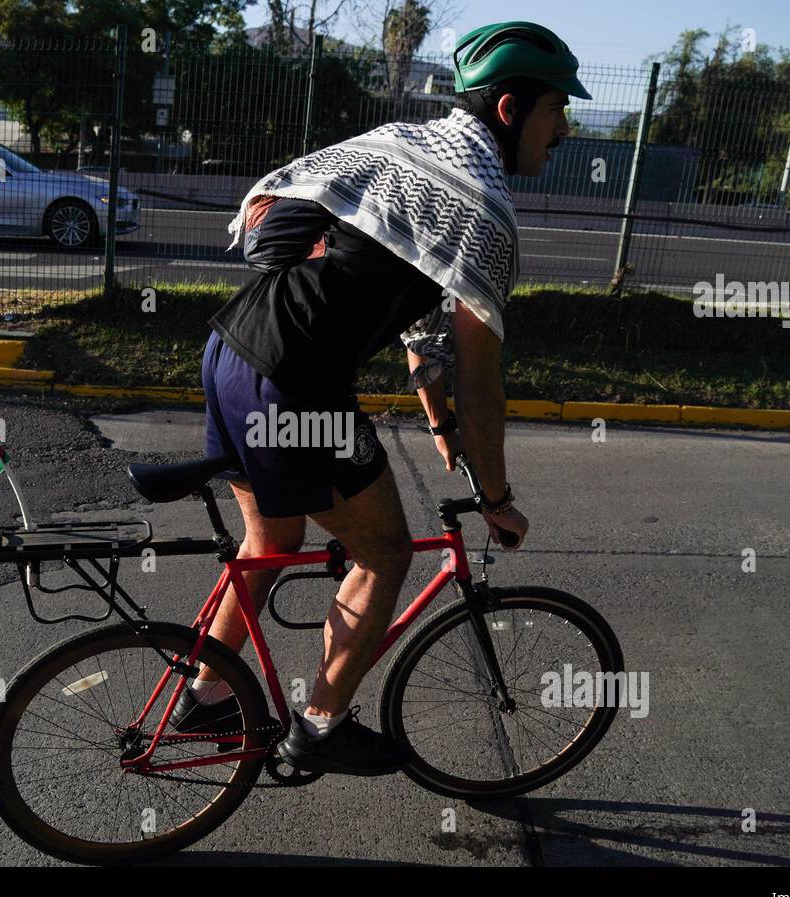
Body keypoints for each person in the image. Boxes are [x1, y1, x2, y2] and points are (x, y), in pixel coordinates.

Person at [173, 21, 591, 776]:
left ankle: (205, 699)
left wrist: (438, 425)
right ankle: (319, 730)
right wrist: (496, 494)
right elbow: (479, 375)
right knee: (387, 552)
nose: (564, 129)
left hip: (229, 351)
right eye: (556, 109)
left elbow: (312, 236)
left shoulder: (401, 145)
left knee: (271, 543)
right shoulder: (482, 208)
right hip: (295, 386)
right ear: (509, 110)